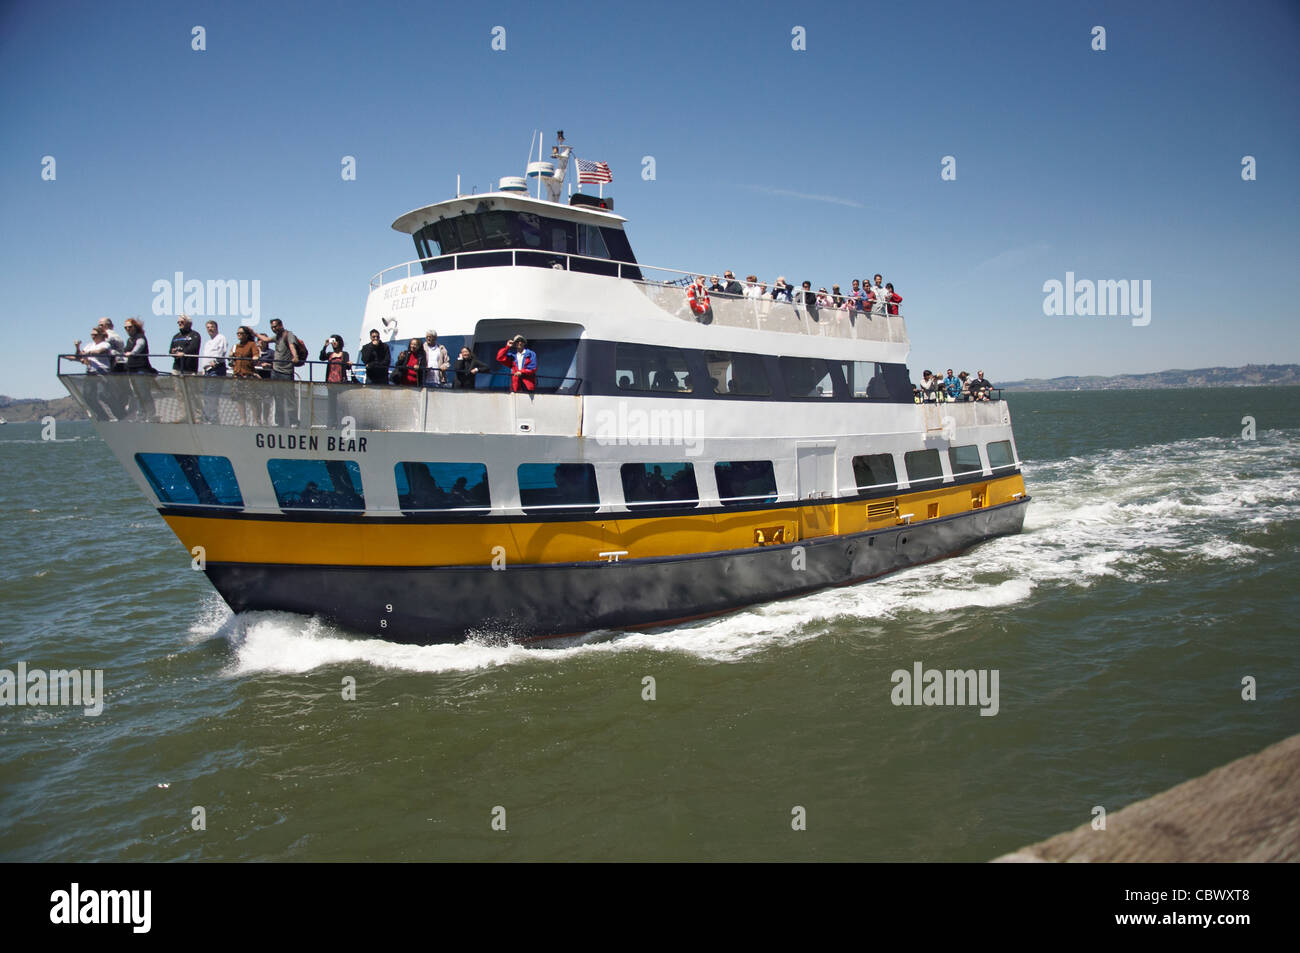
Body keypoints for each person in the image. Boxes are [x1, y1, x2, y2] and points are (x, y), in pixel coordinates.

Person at [256, 318, 301, 426]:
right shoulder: (277, 337)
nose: (274, 329)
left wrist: (295, 356)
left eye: (275, 326)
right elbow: (266, 340)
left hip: (286, 372)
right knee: (278, 398)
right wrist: (254, 333)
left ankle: (293, 422)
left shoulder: (288, 334)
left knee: (289, 398)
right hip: (275, 372)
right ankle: (279, 422)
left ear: (281, 325)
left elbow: (292, 346)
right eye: (272, 327)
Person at [229, 325, 262, 424]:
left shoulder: (251, 344)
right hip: (237, 375)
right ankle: (243, 419)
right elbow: (231, 360)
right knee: (239, 398)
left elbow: (256, 355)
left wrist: (255, 357)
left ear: (246, 335)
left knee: (252, 399)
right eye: (238, 333)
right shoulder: (235, 346)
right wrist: (231, 356)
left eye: (241, 333)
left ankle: (256, 420)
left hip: (248, 374)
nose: (239, 335)